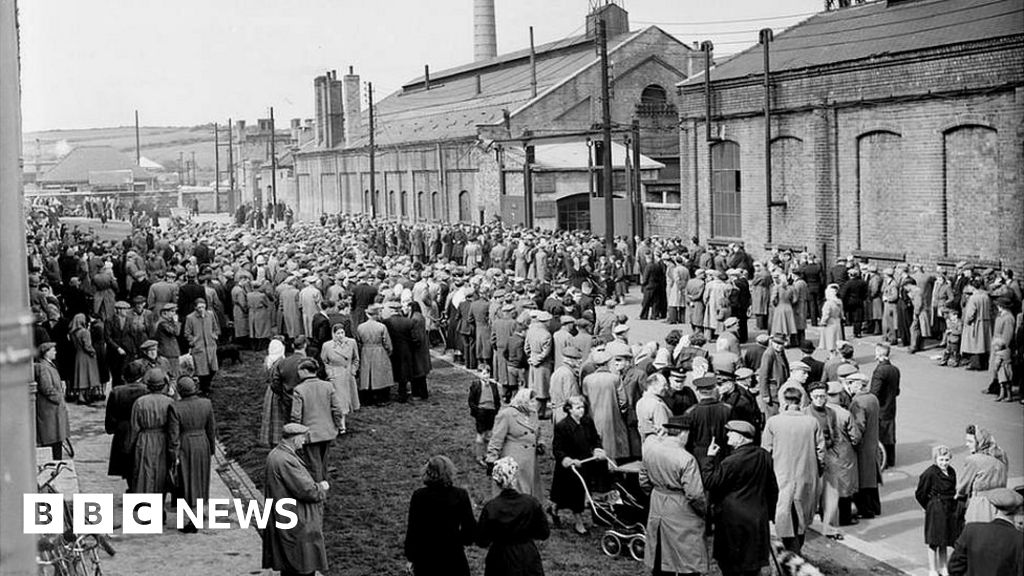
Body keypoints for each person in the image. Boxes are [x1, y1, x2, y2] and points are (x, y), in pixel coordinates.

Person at [702, 420, 779, 576]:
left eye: (732, 432)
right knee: (753, 564)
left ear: (742, 437)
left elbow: (710, 481)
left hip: (732, 521)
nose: (728, 434)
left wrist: (710, 458)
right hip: (757, 518)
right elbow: (773, 489)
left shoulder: (732, 461)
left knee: (731, 566)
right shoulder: (764, 455)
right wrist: (769, 514)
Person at [639, 415, 708, 576]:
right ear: (684, 433)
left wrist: (656, 492)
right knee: (687, 553)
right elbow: (695, 494)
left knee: (659, 550)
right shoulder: (686, 458)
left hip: (657, 501)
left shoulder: (650, 451)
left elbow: (643, 480)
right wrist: (703, 511)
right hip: (681, 507)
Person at [762, 387, 824, 555]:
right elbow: (821, 451)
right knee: (802, 515)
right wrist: (819, 469)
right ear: (801, 401)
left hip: (780, 475)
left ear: (784, 401)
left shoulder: (773, 422)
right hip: (806, 475)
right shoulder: (811, 422)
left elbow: (766, 451)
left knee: (784, 513)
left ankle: (791, 551)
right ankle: (797, 549)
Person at [262, 422, 329, 576]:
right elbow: (307, 490)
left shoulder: (276, 454)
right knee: (302, 564)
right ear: (294, 439)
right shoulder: (286, 460)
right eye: (303, 437)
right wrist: (321, 487)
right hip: (296, 518)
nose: (305, 441)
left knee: (290, 564)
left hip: (284, 514)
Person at [476, 457, 550, 576]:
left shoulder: (491, 507)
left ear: (497, 481)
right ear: (515, 479)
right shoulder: (531, 503)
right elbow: (544, 533)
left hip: (500, 557)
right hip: (527, 555)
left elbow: (481, 540)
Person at [404, 455, 476, 576]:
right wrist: (459, 540)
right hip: (454, 556)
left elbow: (413, 530)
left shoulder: (419, 496)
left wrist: (411, 557)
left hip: (426, 558)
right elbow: (469, 530)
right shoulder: (460, 495)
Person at [549, 395, 608, 535]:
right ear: (569, 410)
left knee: (580, 491)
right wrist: (566, 459)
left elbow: (595, 439)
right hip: (569, 467)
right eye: (578, 408)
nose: (581, 411)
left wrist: (598, 449)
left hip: (585, 462)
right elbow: (557, 449)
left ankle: (554, 508)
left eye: (583, 408)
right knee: (572, 493)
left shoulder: (587, 422)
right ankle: (578, 522)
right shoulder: (562, 426)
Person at [168, 376, 216, 534]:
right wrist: (211, 448)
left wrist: (173, 455)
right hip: (202, 443)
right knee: (202, 478)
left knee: (186, 480)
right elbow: (211, 428)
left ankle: (191, 519)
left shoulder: (175, 407)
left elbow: (173, 435)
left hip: (186, 445)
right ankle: (201, 511)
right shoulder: (206, 404)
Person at [290, 358, 344, 483]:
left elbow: (296, 415)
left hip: (309, 434)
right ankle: (324, 485)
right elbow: (337, 409)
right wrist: (338, 425)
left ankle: (317, 492)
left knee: (313, 465)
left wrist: (295, 434)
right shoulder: (328, 386)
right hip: (327, 431)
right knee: (324, 462)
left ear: (304, 371)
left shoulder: (299, 389)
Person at [947, 488, 1023, 576]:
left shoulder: (971, 530)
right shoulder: (1019, 539)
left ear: (994, 509)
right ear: (1018, 512)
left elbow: (954, 568)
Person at [486, 387, 545, 499]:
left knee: (531, 489)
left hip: (530, 461)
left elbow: (538, 431)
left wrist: (540, 443)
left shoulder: (533, 414)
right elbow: (496, 439)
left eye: (535, 400)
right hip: (514, 461)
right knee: (517, 490)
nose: (535, 403)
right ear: (523, 400)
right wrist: (491, 459)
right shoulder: (507, 414)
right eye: (531, 401)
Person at [129, 368, 174, 496]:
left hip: (144, 439)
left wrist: (131, 445)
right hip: (163, 439)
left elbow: (134, 427)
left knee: (144, 472)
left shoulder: (140, 402)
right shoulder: (170, 402)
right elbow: (173, 427)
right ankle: (160, 504)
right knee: (162, 472)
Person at [915, 445, 959, 576]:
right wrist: (929, 506)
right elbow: (920, 493)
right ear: (935, 459)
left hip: (948, 508)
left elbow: (953, 489)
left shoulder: (952, 472)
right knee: (934, 541)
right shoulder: (930, 473)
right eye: (941, 460)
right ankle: (932, 569)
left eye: (946, 460)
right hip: (936, 508)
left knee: (944, 540)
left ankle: (943, 567)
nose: (944, 463)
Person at [956, 425, 1009, 524]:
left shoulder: (974, 460)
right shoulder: (1001, 457)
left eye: (970, 441)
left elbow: (963, 487)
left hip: (979, 506)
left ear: (979, 442)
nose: (967, 444)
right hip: (999, 506)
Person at [849, 372, 882, 518]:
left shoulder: (858, 402)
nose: (850, 386)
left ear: (858, 384)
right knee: (871, 479)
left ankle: (866, 510)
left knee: (862, 480)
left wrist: (852, 441)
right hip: (872, 444)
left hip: (862, 447)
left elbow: (858, 426)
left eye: (851, 383)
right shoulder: (872, 398)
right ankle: (875, 507)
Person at [320, 323, 360, 433]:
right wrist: (330, 374)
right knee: (339, 402)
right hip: (336, 375)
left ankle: (341, 423)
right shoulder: (327, 346)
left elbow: (356, 359)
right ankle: (340, 425)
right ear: (333, 334)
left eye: (342, 333)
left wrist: (353, 370)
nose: (340, 335)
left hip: (347, 375)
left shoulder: (351, 343)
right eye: (338, 333)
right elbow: (324, 362)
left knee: (346, 400)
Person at [35, 342, 69, 460]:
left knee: (56, 440)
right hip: (50, 410)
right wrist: (59, 398)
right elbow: (47, 388)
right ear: (46, 353)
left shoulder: (48, 365)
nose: (55, 352)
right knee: (52, 441)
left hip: (52, 410)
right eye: (53, 350)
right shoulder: (44, 367)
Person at [870, 342, 900, 468]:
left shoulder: (879, 371)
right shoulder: (895, 369)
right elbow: (897, 390)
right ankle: (891, 459)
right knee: (890, 433)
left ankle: (883, 460)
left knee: (881, 433)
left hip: (881, 407)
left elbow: (875, 392)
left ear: (879, 354)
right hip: (891, 405)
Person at [357, 303, 394, 405]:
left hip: (365, 350)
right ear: (376, 315)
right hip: (378, 350)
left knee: (366, 373)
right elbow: (387, 343)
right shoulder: (381, 326)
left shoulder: (360, 327)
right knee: (380, 373)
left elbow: (359, 341)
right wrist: (389, 351)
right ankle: (381, 397)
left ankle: (366, 397)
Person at [183, 298, 220, 395]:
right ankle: (204, 388)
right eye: (199, 307)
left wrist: (214, 336)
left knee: (213, 368)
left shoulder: (210, 315)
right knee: (202, 370)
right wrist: (193, 341)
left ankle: (206, 386)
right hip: (199, 347)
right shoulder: (190, 318)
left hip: (210, 346)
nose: (201, 309)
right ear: (195, 307)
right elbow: (187, 333)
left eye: (203, 307)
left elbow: (215, 327)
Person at [469, 365, 502, 467]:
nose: (486, 375)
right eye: (484, 373)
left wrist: (496, 410)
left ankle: (488, 454)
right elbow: (471, 400)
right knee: (481, 434)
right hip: (481, 412)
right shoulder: (475, 385)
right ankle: (479, 457)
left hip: (491, 412)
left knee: (489, 434)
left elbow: (497, 400)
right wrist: (477, 411)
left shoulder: (493, 385)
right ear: (479, 374)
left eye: (488, 373)